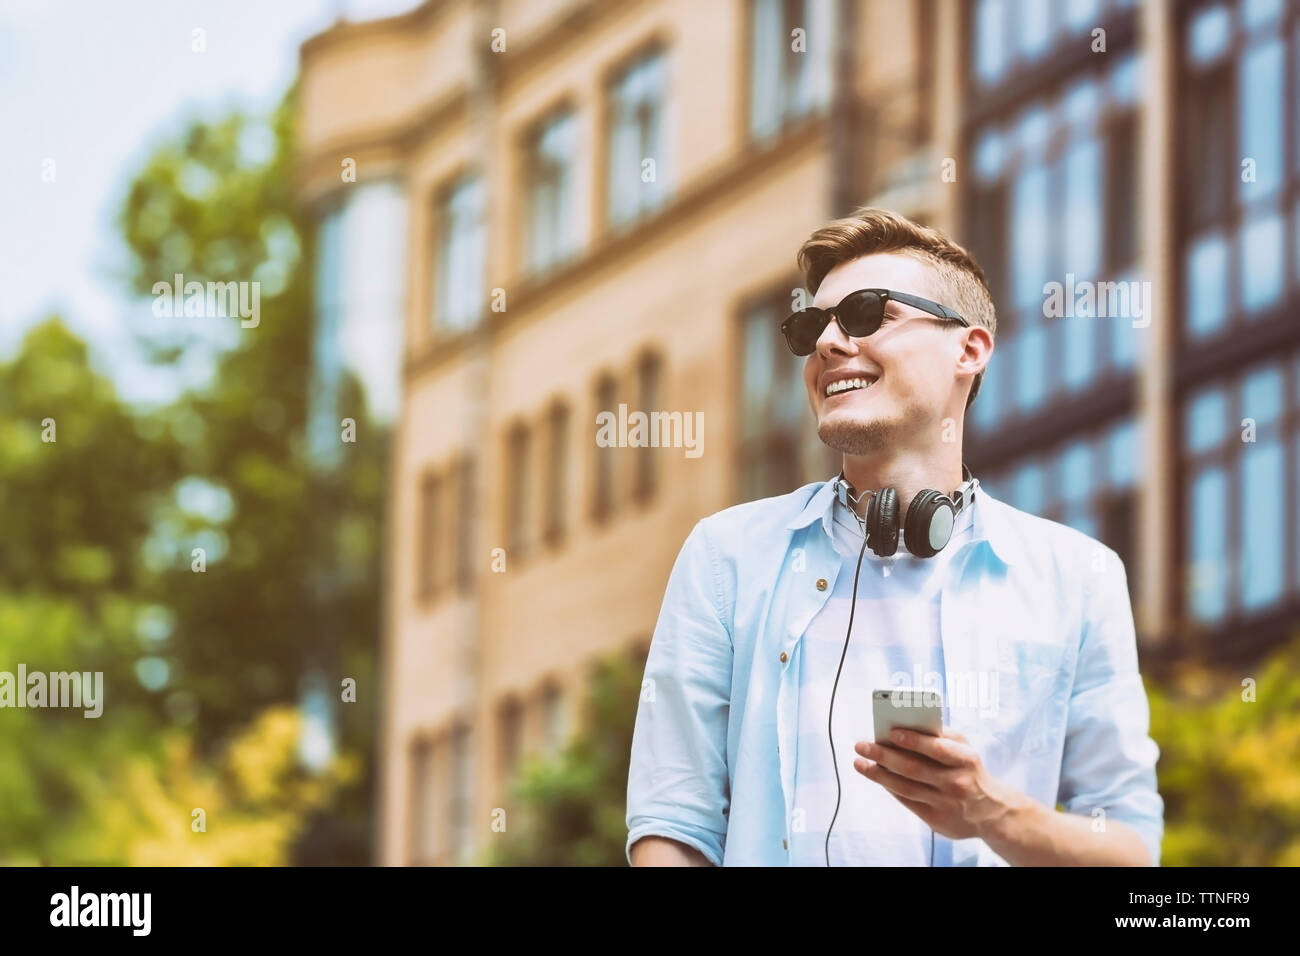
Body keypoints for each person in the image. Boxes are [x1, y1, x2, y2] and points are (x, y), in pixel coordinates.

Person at [625, 207, 1163, 866]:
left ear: (968, 349)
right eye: (811, 326)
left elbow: (1132, 851)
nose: (826, 342)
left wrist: (991, 812)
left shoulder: (1079, 577)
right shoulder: (726, 555)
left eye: (867, 313)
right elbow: (672, 823)